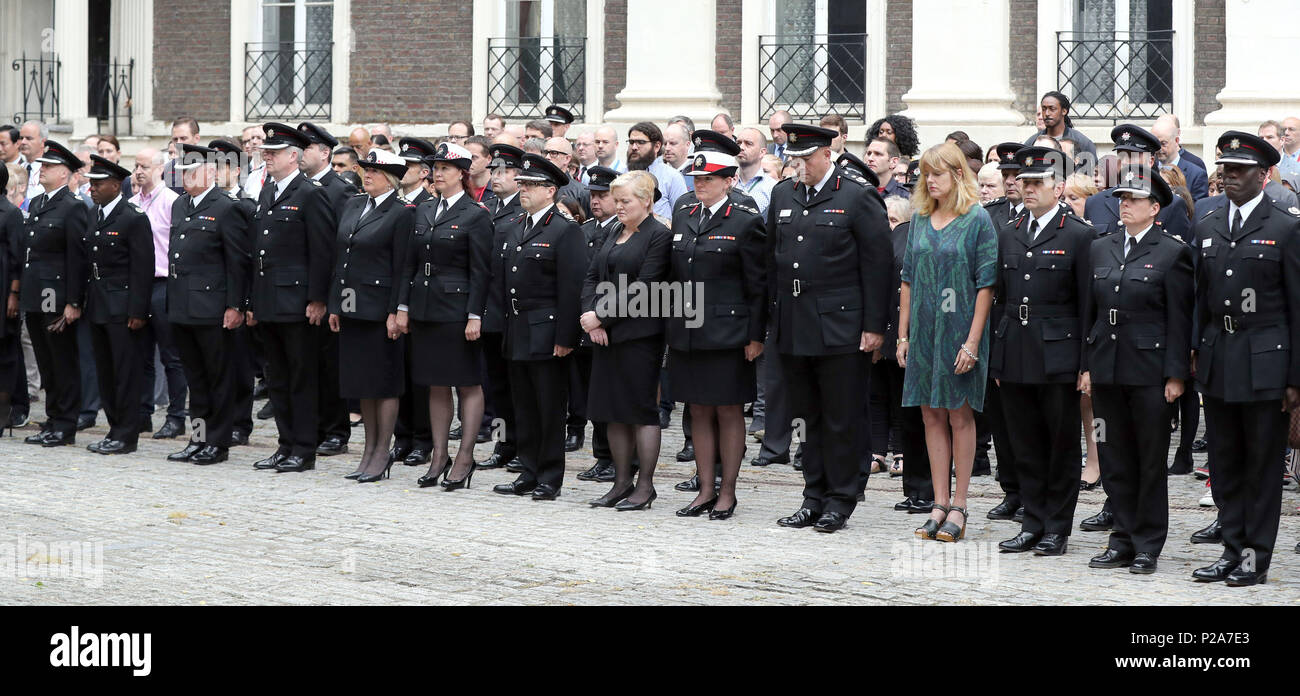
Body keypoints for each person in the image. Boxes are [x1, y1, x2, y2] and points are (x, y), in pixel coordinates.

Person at [1189, 131, 1300, 586]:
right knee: (1225, 461)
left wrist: (1294, 379)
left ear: (1263, 174)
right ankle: (1230, 548)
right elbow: (1199, 297)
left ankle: (1255, 558)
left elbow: (1296, 307)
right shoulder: (1209, 221)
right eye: (1225, 169)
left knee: (1261, 465)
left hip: (1265, 362)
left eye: (1239, 171)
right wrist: (1194, 355)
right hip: (1220, 356)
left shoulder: (1285, 226)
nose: (1229, 177)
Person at [770, 124, 891, 533]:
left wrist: (875, 327)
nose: (799, 166)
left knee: (842, 415)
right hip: (796, 321)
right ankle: (813, 494)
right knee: (807, 415)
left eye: (806, 158)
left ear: (826, 154)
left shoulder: (856, 196)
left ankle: (842, 497)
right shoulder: (783, 194)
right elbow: (774, 258)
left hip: (841, 324)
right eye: (794, 158)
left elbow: (878, 266)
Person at [1079, 165, 1193, 575]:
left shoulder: (1172, 251)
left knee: (1148, 460)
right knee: (1113, 457)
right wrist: (1086, 367)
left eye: (1134, 199)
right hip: (1107, 370)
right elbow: (1089, 315)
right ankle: (1121, 538)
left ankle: (1147, 543)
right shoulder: (1101, 246)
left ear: (1155, 207)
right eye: (1122, 199)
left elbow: (1180, 319)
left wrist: (1177, 375)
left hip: (1149, 373)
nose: (1125, 205)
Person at [991, 146, 1094, 556]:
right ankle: (1031, 521)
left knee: (1060, 443)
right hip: (1016, 349)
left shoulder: (1079, 234)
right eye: (1024, 181)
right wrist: (997, 355)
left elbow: (1088, 305)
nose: (1027, 188)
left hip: (1059, 354)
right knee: (1023, 443)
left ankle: (1056, 526)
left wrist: (1085, 365)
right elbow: (1000, 298)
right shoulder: (1010, 231)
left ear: (1059, 186)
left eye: (1037, 182)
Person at [897, 143, 997, 542]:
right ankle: (937, 503)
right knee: (930, 415)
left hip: (960, 331)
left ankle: (960, 504)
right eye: (925, 173)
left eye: (937, 173)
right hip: (923, 330)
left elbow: (986, 284)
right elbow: (907, 278)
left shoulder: (977, 220)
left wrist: (973, 342)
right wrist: (903, 335)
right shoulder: (920, 219)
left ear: (958, 174)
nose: (929, 180)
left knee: (959, 414)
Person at [665, 152, 766, 519]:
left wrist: (756, 336)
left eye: (709, 178)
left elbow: (757, 284)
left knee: (728, 410)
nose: (700, 184)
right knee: (697, 410)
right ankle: (704, 488)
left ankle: (728, 491)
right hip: (688, 331)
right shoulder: (684, 215)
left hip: (728, 331)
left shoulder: (744, 221)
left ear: (729, 181)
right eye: (696, 178)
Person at [395, 143, 492, 489]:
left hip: (456, 311)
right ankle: (439, 454)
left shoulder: (475, 214)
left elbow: (481, 271)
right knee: (435, 383)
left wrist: (474, 315)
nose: (437, 173)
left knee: (466, 382)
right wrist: (403, 307)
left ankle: (465, 456)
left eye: (445, 169)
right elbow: (410, 262)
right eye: (435, 168)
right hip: (425, 309)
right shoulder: (423, 210)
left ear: (461, 174)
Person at [491, 154, 586, 500]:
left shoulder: (565, 230)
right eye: (522, 184)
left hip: (547, 331)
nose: (524, 190)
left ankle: (549, 476)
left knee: (549, 407)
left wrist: (565, 337)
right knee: (524, 406)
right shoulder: (518, 225)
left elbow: (571, 289)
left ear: (551, 191)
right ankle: (527, 470)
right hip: (518, 328)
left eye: (531, 185)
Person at [579, 170, 673, 510]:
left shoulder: (658, 235)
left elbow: (646, 287)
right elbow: (592, 276)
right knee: (611, 410)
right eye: (615, 200)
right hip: (605, 336)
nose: (617, 206)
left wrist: (601, 315)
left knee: (639, 410)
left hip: (639, 335)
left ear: (645, 201)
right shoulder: (615, 231)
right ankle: (621, 482)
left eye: (625, 201)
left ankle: (645, 486)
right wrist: (592, 319)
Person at [247, 123, 335, 473]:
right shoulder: (269, 191)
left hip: (299, 304)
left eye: (273, 152)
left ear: (293, 156)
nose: (266, 157)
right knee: (278, 379)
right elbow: (260, 252)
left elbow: (322, 251)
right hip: (270, 301)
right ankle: (285, 444)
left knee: (301, 378)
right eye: (265, 152)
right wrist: (253, 301)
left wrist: (317, 298)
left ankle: (304, 447)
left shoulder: (310, 193)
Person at [326, 149, 414, 482]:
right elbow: (341, 258)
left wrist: (396, 311)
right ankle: (368, 449)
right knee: (361, 381)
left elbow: (403, 266)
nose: (368, 175)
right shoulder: (353, 204)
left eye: (375, 171)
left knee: (384, 382)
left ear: (390, 177)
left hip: (381, 309)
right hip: (352, 307)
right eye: (365, 170)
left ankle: (382, 451)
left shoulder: (402, 212)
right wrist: (336, 304)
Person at [162, 144, 251, 465]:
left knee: (218, 378)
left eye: (193, 171)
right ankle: (198, 438)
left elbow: (237, 262)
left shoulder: (226, 207)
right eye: (183, 172)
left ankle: (218, 441)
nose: (186, 177)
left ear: (211, 173)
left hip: (213, 308)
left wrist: (235, 306)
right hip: (184, 306)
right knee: (195, 380)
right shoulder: (181, 205)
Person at [79, 155, 152, 455]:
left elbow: (143, 268)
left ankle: (126, 434)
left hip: (122, 306)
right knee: (105, 371)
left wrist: (138, 311)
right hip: (98, 303)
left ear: (114, 185)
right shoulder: (95, 214)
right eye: (91, 183)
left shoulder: (133, 217)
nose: (92, 188)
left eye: (98, 184)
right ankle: (114, 428)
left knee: (125, 372)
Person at [20, 141, 88, 447]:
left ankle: (65, 424)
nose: (42, 170)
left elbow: (77, 257)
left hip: (56, 295)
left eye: (48, 166)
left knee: (62, 361)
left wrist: (74, 301)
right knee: (47, 362)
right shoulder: (37, 204)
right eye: (42, 165)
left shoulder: (72, 207)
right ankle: (51, 419)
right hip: (36, 293)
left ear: (64, 173)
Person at [299, 122, 359, 459]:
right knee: (306, 365)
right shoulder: (298, 188)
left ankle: (336, 430)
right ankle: (315, 426)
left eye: (306, 148)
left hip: (327, 292)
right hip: (299, 290)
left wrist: (325, 297)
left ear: (324, 153)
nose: (300, 154)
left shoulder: (340, 190)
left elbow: (337, 249)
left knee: (328, 364)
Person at [129, 147, 188, 438]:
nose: (139, 171)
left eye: (145, 166)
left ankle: (177, 416)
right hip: (139, 286)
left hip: (165, 284)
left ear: (160, 169)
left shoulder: (172, 202)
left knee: (171, 355)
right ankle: (142, 414)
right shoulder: (132, 203)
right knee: (141, 355)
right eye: (136, 166)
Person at [572, 165, 624, 482]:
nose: (595, 201)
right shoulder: (582, 230)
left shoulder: (622, 231)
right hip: (586, 326)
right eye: (592, 194)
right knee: (593, 399)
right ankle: (601, 456)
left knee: (611, 398)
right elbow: (581, 280)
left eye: (602, 195)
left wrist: (601, 318)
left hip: (612, 326)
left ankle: (616, 459)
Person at [1084, 125, 1192, 244]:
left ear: (1150, 162)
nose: (1125, 162)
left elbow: (1177, 254)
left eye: (1132, 156)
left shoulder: (1171, 205)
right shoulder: (1095, 203)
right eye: (1121, 156)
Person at [625, 122, 685, 219]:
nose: (634, 147)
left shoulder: (672, 177)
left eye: (640, 142)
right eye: (631, 142)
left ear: (657, 146)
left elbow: (682, 217)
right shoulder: (622, 174)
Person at [0, 163, 19, 428]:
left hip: (3, 288)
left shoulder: (10, 212)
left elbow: (17, 258)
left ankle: (2, 414)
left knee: (4, 354)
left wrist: (14, 294)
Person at [1022, 91, 1097, 158]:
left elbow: (1093, 171)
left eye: (1052, 109)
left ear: (1064, 111)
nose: (1047, 113)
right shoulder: (1032, 142)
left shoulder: (1082, 143)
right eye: (1044, 109)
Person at [1152, 114, 1208, 200]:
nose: (1159, 148)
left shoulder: (1196, 174)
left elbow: (1199, 209)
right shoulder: (1147, 169)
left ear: (1176, 141)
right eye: (1155, 143)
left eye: (1163, 143)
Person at [735, 128, 777, 215]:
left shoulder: (772, 188)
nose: (741, 147)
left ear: (762, 152)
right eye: (738, 143)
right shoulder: (726, 183)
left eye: (748, 144)